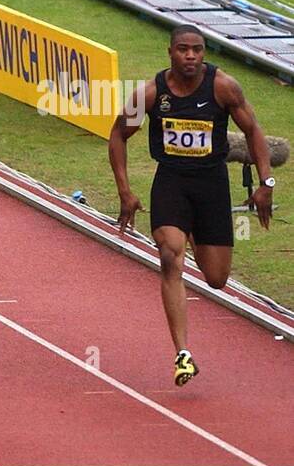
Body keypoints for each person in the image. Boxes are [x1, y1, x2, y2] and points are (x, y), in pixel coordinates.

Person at [109, 24, 275, 387]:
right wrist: (125, 191)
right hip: (171, 180)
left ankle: (199, 223)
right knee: (169, 255)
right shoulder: (151, 93)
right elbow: (118, 134)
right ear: (170, 52)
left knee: (216, 279)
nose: (191, 56)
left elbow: (254, 130)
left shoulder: (223, 86)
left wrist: (266, 183)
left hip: (211, 183)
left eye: (197, 49)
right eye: (183, 49)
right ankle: (182, 353)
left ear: (204, 52)